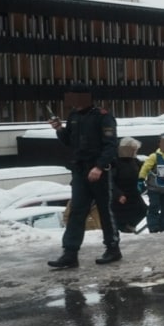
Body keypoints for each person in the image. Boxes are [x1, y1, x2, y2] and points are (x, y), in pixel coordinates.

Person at [49, 82, 122, 269]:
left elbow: (111, 145)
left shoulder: (103, 117)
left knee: (105, 210)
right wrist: (59, 129)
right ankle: (70, 253)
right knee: (77, 211)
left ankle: (113, 248)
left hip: (100, 171)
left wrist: (99, 166)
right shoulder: (73, 116)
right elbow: (69, 141)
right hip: (80, 171)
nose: (72, 101)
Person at [112, 136, 147, 234]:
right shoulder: (115, 161)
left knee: (143, 210)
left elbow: (143, 167)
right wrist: (118, 194)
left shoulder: (133, 160)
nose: (135, 152)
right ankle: (123, 231)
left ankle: (129, 228)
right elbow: (110, 181)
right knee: (120, 217)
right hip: (121, 194)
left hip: (133, 192)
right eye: (133, 150)